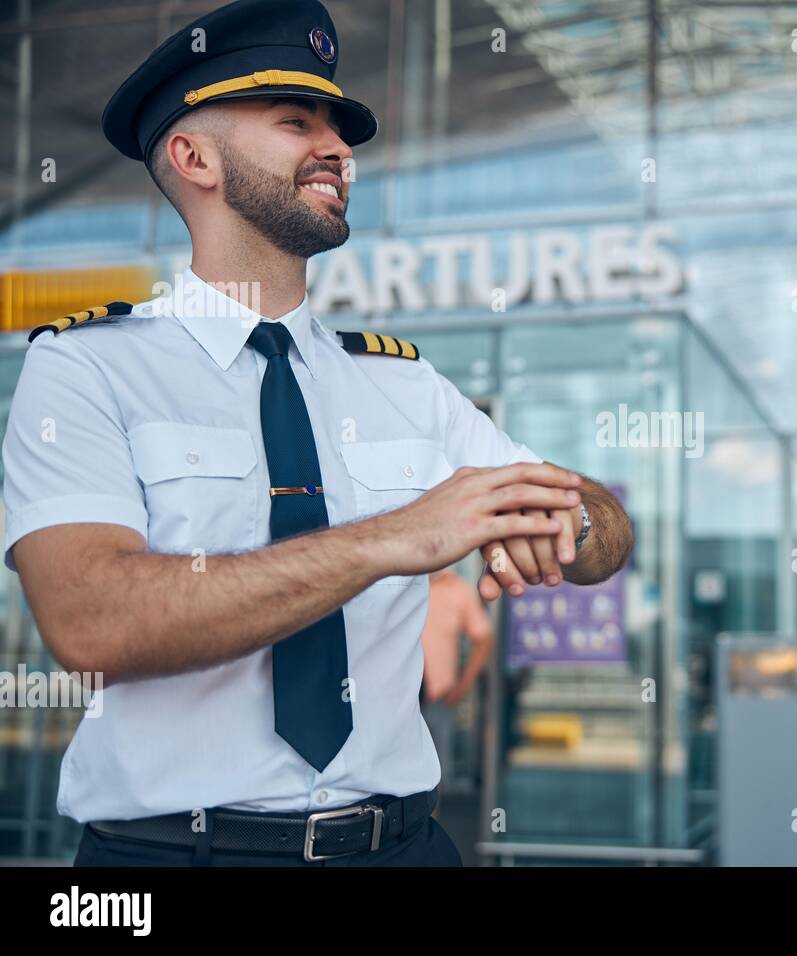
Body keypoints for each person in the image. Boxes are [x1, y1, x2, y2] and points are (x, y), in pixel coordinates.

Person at [0, 0, 632, 867]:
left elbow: (601, 532)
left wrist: (571, 525)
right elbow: (93, 622)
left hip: (403, 847)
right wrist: (394, 540)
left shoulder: (404, 383)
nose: (337, 149)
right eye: (295, 122)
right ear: (194, 158)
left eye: (338, 127)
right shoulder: (85, 370)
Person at [419, 569, 496, 793]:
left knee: (432, 780)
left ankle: (430, 825)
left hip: (437, 696)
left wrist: (464, 685)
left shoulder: (458, 589)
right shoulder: (395, 578)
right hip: (391, 697)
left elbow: (484, 638)